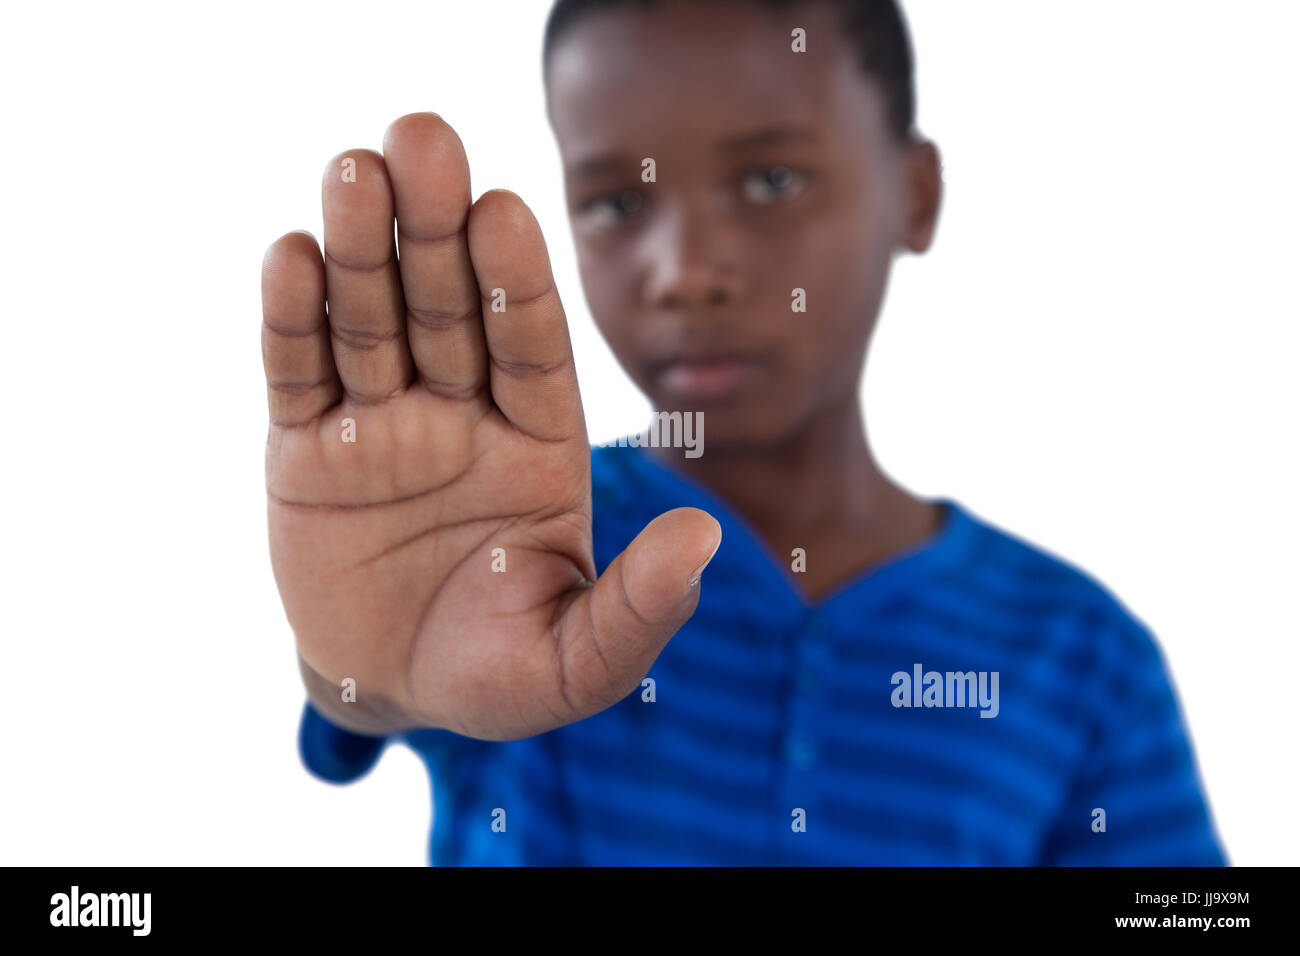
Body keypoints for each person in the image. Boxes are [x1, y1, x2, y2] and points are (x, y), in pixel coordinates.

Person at [260, 0, 1226, 864]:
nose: (683, 270)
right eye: (617, 202)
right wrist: (365, 681)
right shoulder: (496, 541)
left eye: (770, 182)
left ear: (916, 192)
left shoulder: (1079, 659)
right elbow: (368, 693)